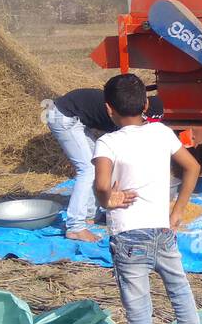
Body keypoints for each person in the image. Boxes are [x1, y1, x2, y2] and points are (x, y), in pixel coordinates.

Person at [92, 73, 202, 324]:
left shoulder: (107, 143)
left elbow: (101, 186)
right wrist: (178, 210)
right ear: (145, 105)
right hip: (162, 230)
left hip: (129, 236)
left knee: (139, 308)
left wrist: (106, 199)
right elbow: (192, 167)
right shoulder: (161, 132)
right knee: (180, 292)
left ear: (109, 109)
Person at [46, 87, 162, 242]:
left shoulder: (130, 112)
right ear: (143, 112)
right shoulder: (123, 116)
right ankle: (75, 227)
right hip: (62, 115)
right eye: (147, 122)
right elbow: (118, 157)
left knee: (95, 164)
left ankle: (90, 215)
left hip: (76, 118)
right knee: (87, 169)